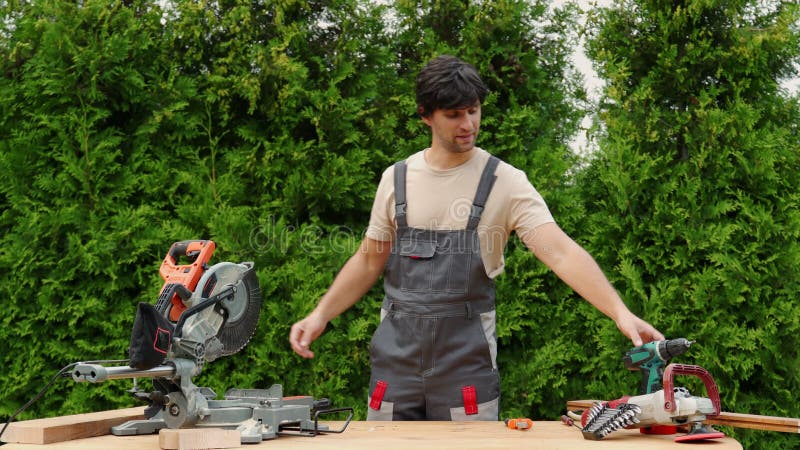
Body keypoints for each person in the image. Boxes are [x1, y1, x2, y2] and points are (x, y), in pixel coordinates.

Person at [289, 55, 664, 421]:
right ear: (425, 115)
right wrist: (321, 314)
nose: (468, 123)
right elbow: (369, 260)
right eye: (454, 115)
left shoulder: (505, 182)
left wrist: (620, 312)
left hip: (465, 370)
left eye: (473, 110)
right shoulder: (396, 179)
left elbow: (561, 252)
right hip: (394, 366)